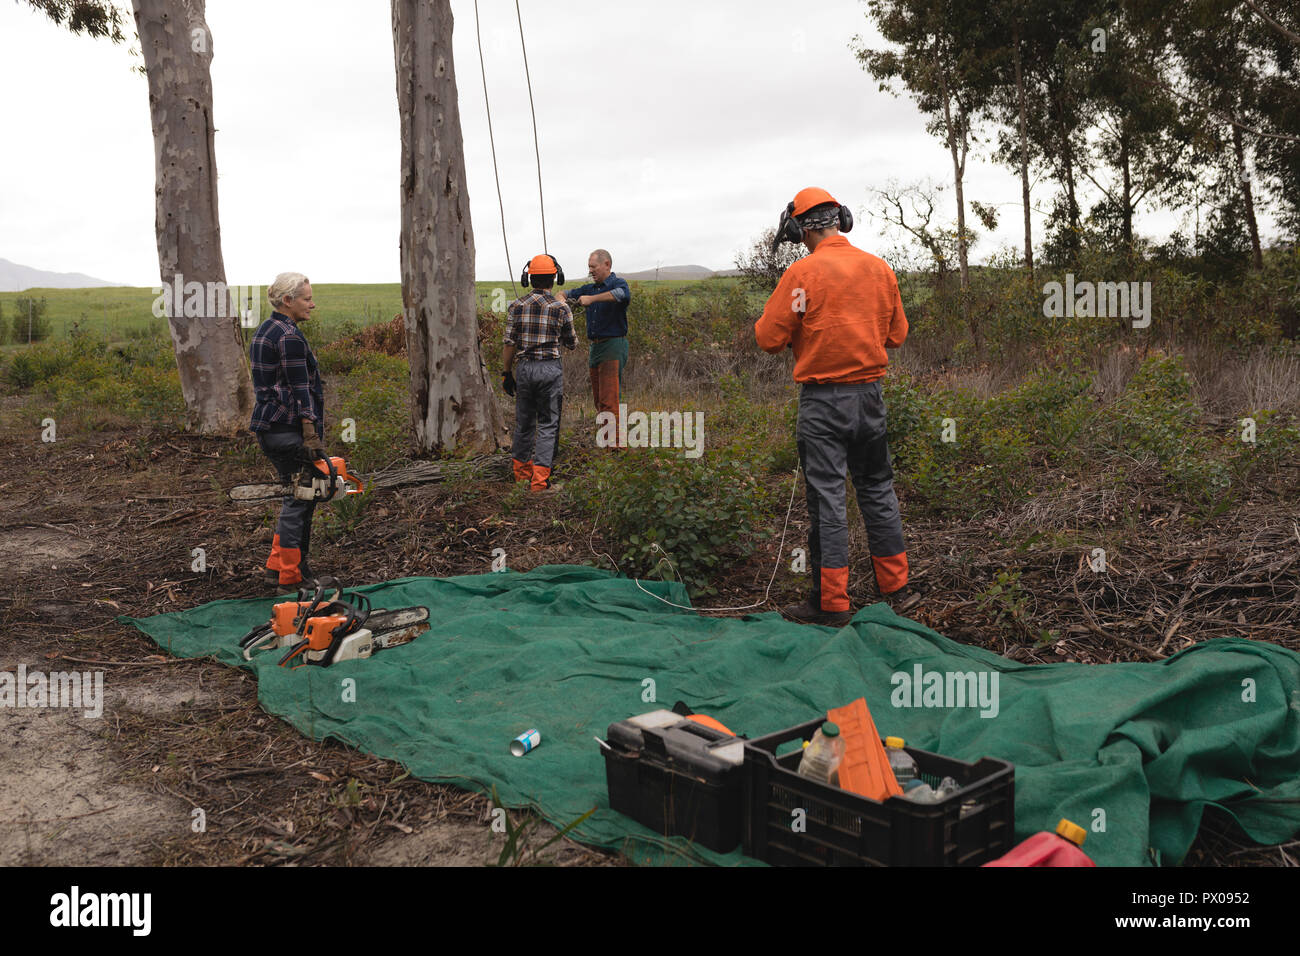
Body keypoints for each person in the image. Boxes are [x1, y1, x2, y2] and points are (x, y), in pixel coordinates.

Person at [754, 187, 916, 626]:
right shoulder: (878, 269)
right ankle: (896, 588)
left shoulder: (802, 274)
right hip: (870, 398)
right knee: (877, 486)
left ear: (797, 228)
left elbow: (768, 339)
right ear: (839, 219)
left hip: (824, 403)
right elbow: (896, 335)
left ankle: (832, 604)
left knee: (828, 498)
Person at [249, 272, 326, 588]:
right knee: (301, 498)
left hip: (270, 428)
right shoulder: (290, 336)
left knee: (295, 496)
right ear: (288, 301)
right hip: (288, 429)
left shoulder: (264, 330)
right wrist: (310, 432)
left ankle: (276, 568)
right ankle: (292, 577)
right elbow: (300, 387)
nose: (312, 303)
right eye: (307, 298)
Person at [503, 254, 577, 491]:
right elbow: (572, 343)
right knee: (547, 423)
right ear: (555, 278)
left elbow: (508, 343)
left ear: (529, 277)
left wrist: (506, 373)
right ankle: (539, 482)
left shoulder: (516, 306)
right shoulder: (561, 308)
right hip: (549, 369)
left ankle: (521, 476)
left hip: (524, 368)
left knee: (524, 423)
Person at [563, 249, 631, 446]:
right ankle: (607, 443)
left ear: (607, 265)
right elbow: (564, 293)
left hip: (613, 345)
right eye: (589, 267)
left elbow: (621, 295)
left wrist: (591, 299)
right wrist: (561, 300)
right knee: (599, 401)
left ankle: (615, 448)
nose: (590, 270)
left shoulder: (618, 284)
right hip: (596, 348)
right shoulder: (589, 288)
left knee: (610, 400)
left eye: (594, 267)